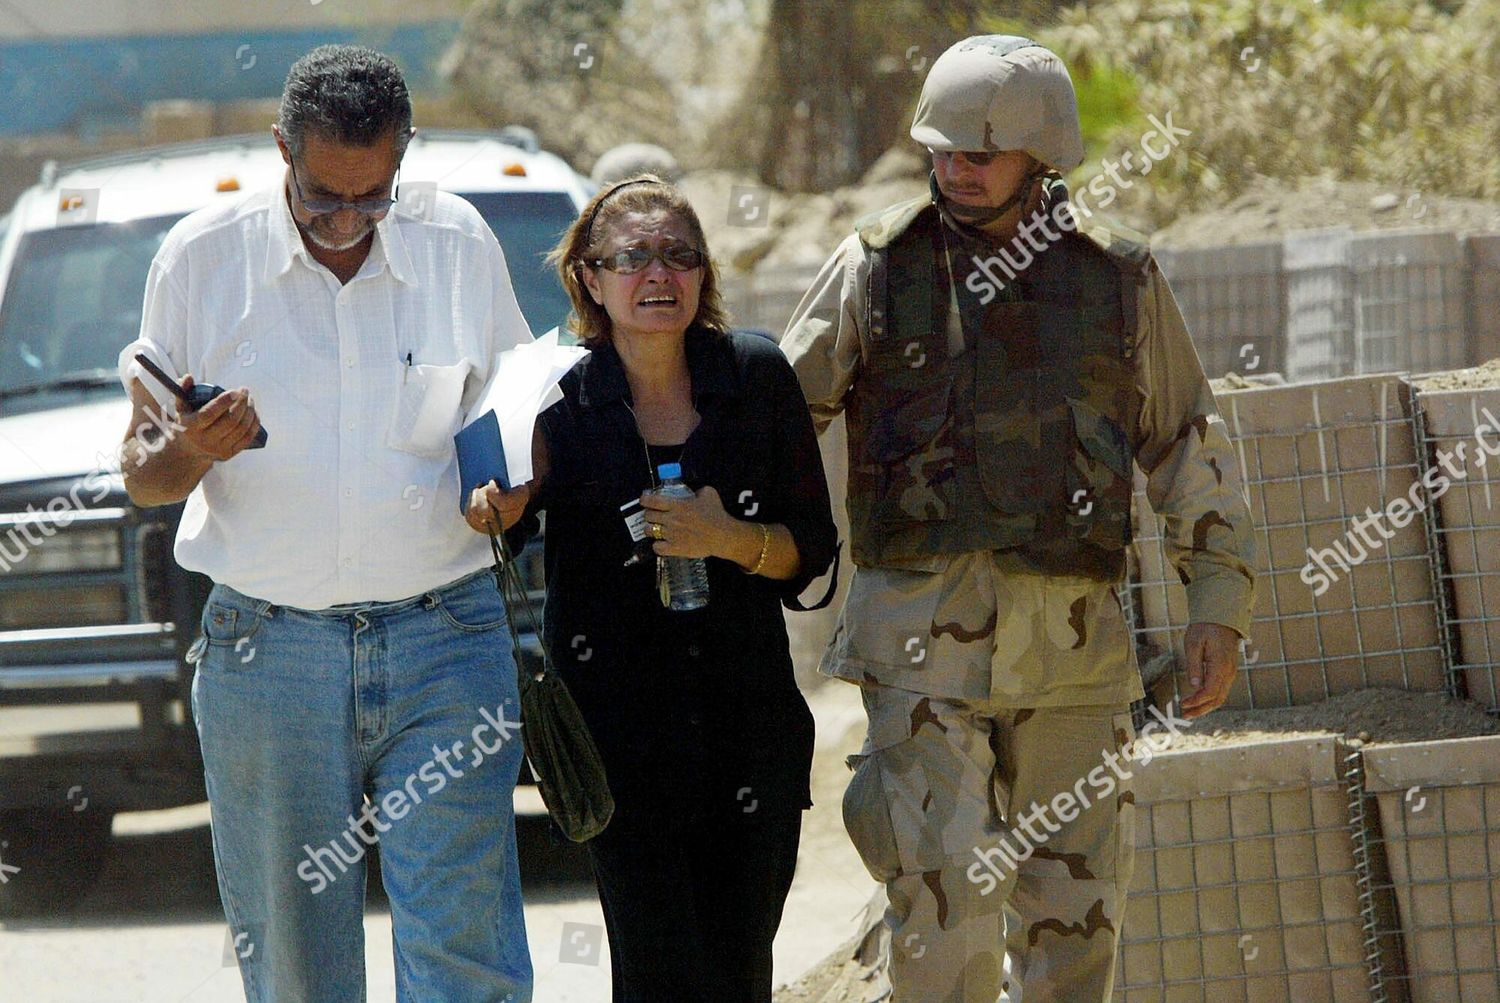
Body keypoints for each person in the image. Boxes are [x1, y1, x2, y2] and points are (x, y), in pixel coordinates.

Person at [780, 35, 1257, 1003]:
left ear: (1042, 159)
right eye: (943, 150)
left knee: (1073, 921)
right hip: (916, 651)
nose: (957, 168)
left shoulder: (1117, 278)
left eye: (981, 154)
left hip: (1075, 659)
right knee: (943, 912)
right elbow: (780, 414)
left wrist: (1220, 603)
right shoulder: (874, 265)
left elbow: (1184, 437)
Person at [118, 45, 534, 1001]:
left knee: (465, 951)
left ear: (404, 158)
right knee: (299, 961)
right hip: (270, 655)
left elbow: (509, 410)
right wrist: (192, 453)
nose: (347, 223)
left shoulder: (458, 244)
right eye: (322, 197)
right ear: (280, 153)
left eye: (374, 197)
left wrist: (507, 491)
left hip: (447, 641)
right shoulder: (200, 259)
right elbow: (142, 471)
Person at [476, 175, 838, 1002]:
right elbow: (500, 525)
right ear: (590, 280)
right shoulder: (555, 392)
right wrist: (499, 501)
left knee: (740, 969)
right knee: (657, 971)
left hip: (750, 731)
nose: (658, 275)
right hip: (620, 746)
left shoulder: (753, 375)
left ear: (704, 276)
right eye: (632, 256)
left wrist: (728, 540)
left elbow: (809, 554)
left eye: (680, 255)